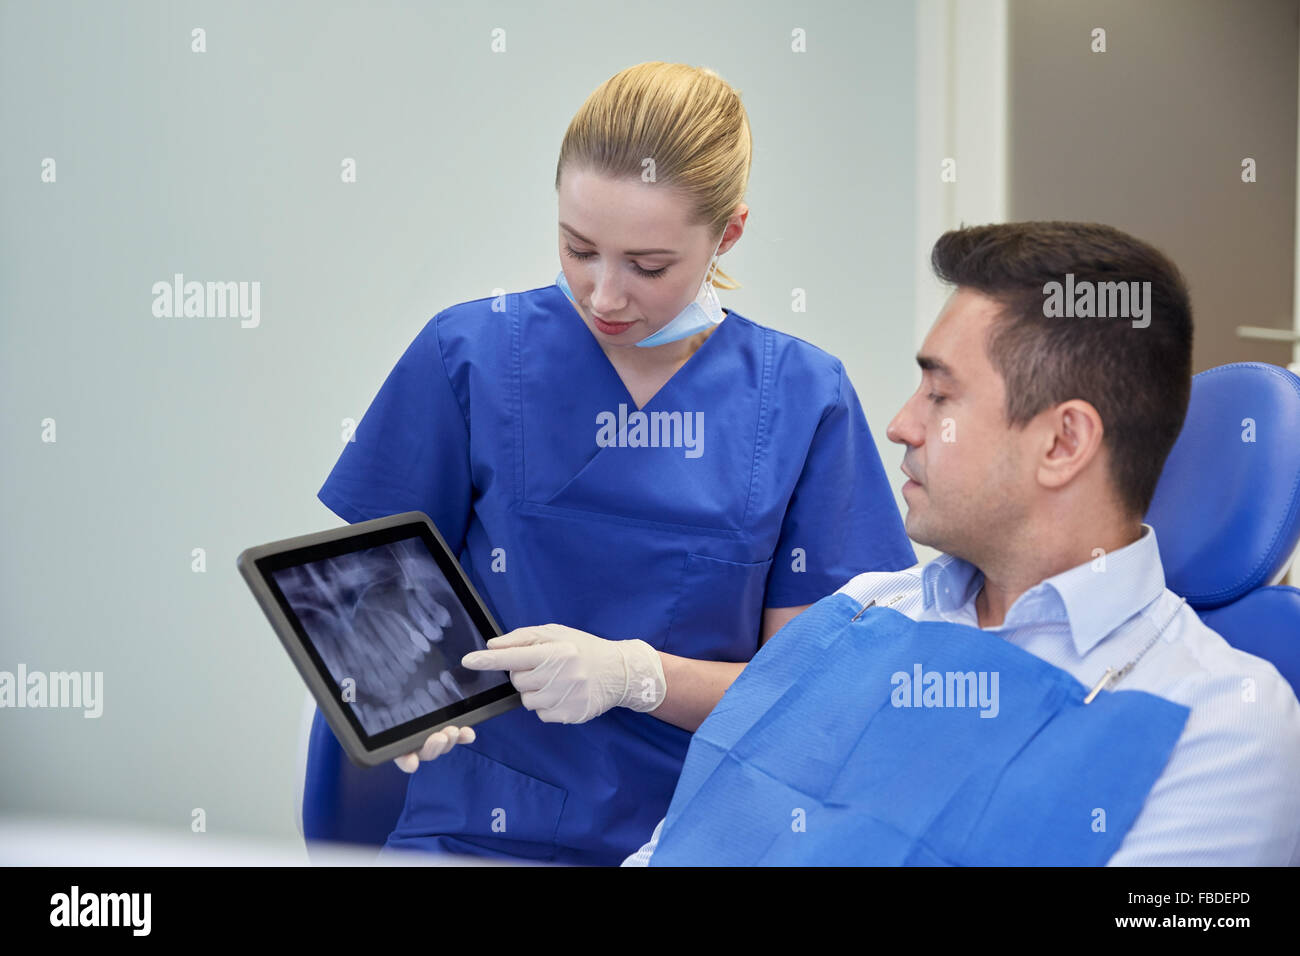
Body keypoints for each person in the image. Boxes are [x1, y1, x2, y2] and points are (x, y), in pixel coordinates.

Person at [314, 62, 916, 865]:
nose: (603, 295)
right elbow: (367, 591)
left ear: (727, 235)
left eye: (648, 265)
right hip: (476, 829)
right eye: (578, 248)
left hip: (700, 839)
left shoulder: (804, 399)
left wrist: (640, 676)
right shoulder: (472, 355)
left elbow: (815, 699)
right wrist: (391, 695)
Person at [624, 221, 1300, 866]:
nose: (900, 425)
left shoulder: (1222, 725)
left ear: (1063, 443)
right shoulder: (859, 616)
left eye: (941, 396)